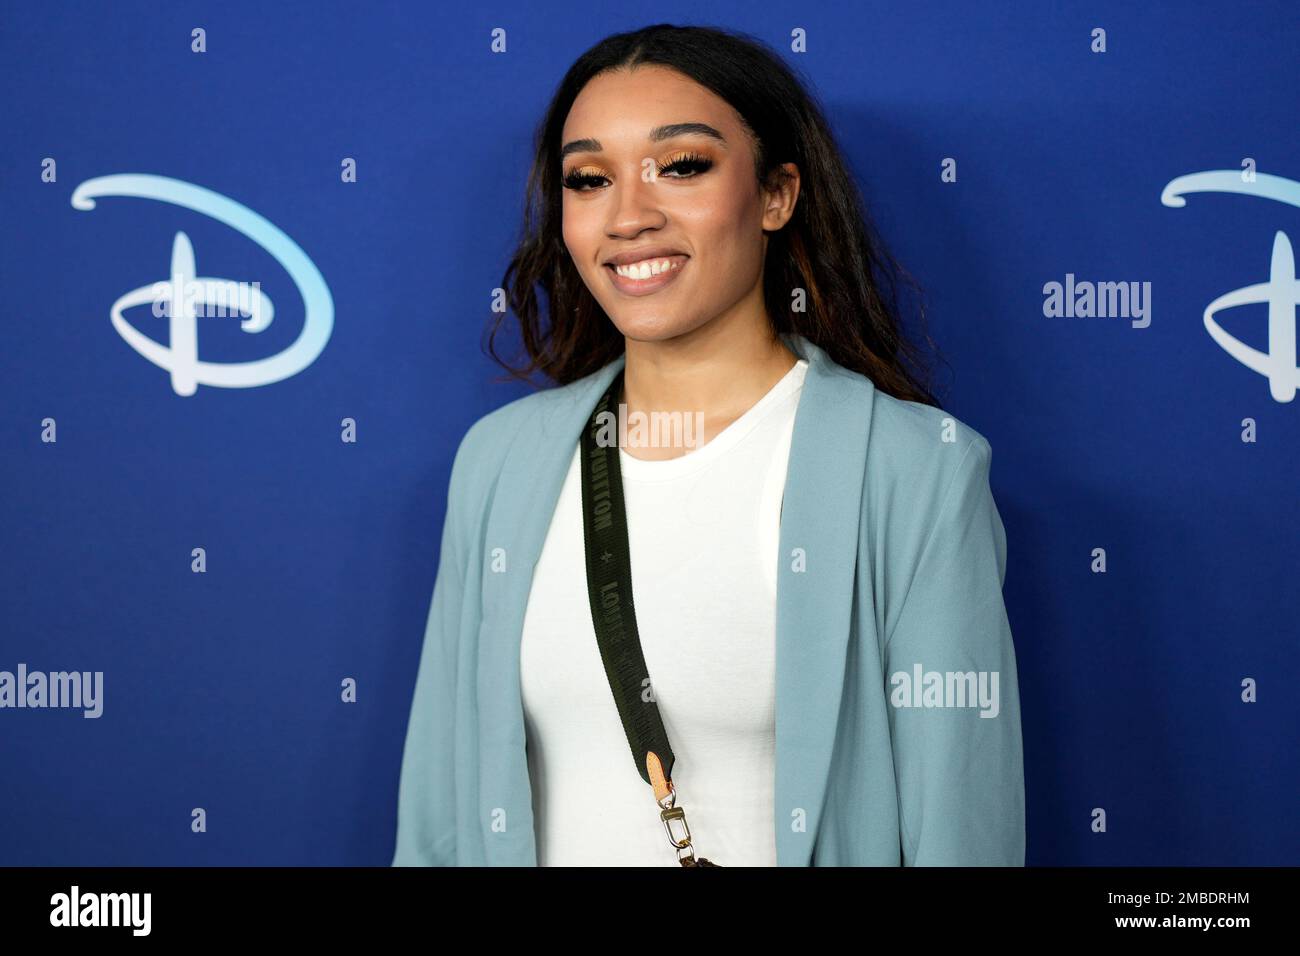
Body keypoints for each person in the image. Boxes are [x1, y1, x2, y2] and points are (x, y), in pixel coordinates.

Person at [393, 23, 1024, 867]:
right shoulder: (498, 464)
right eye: (588, 179)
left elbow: (961, 838)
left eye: (682, 166)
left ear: (776, 194)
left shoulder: (914, 471)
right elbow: (438, 820)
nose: (629, 216)